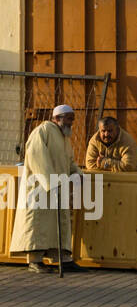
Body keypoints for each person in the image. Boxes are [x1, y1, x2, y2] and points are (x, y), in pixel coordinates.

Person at [10, 105, 83, 273]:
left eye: (73, 119)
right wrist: (51, 183)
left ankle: (63, 259)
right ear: (57, 118)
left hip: (57, 187)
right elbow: (38, 158)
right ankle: (35, 261)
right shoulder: (42, 131)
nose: (71, 122)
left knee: (57, 224)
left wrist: (77, 172)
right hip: (39, 189)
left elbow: (69, 161)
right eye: (68, 118)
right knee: (38, 224)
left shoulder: (64, 137)